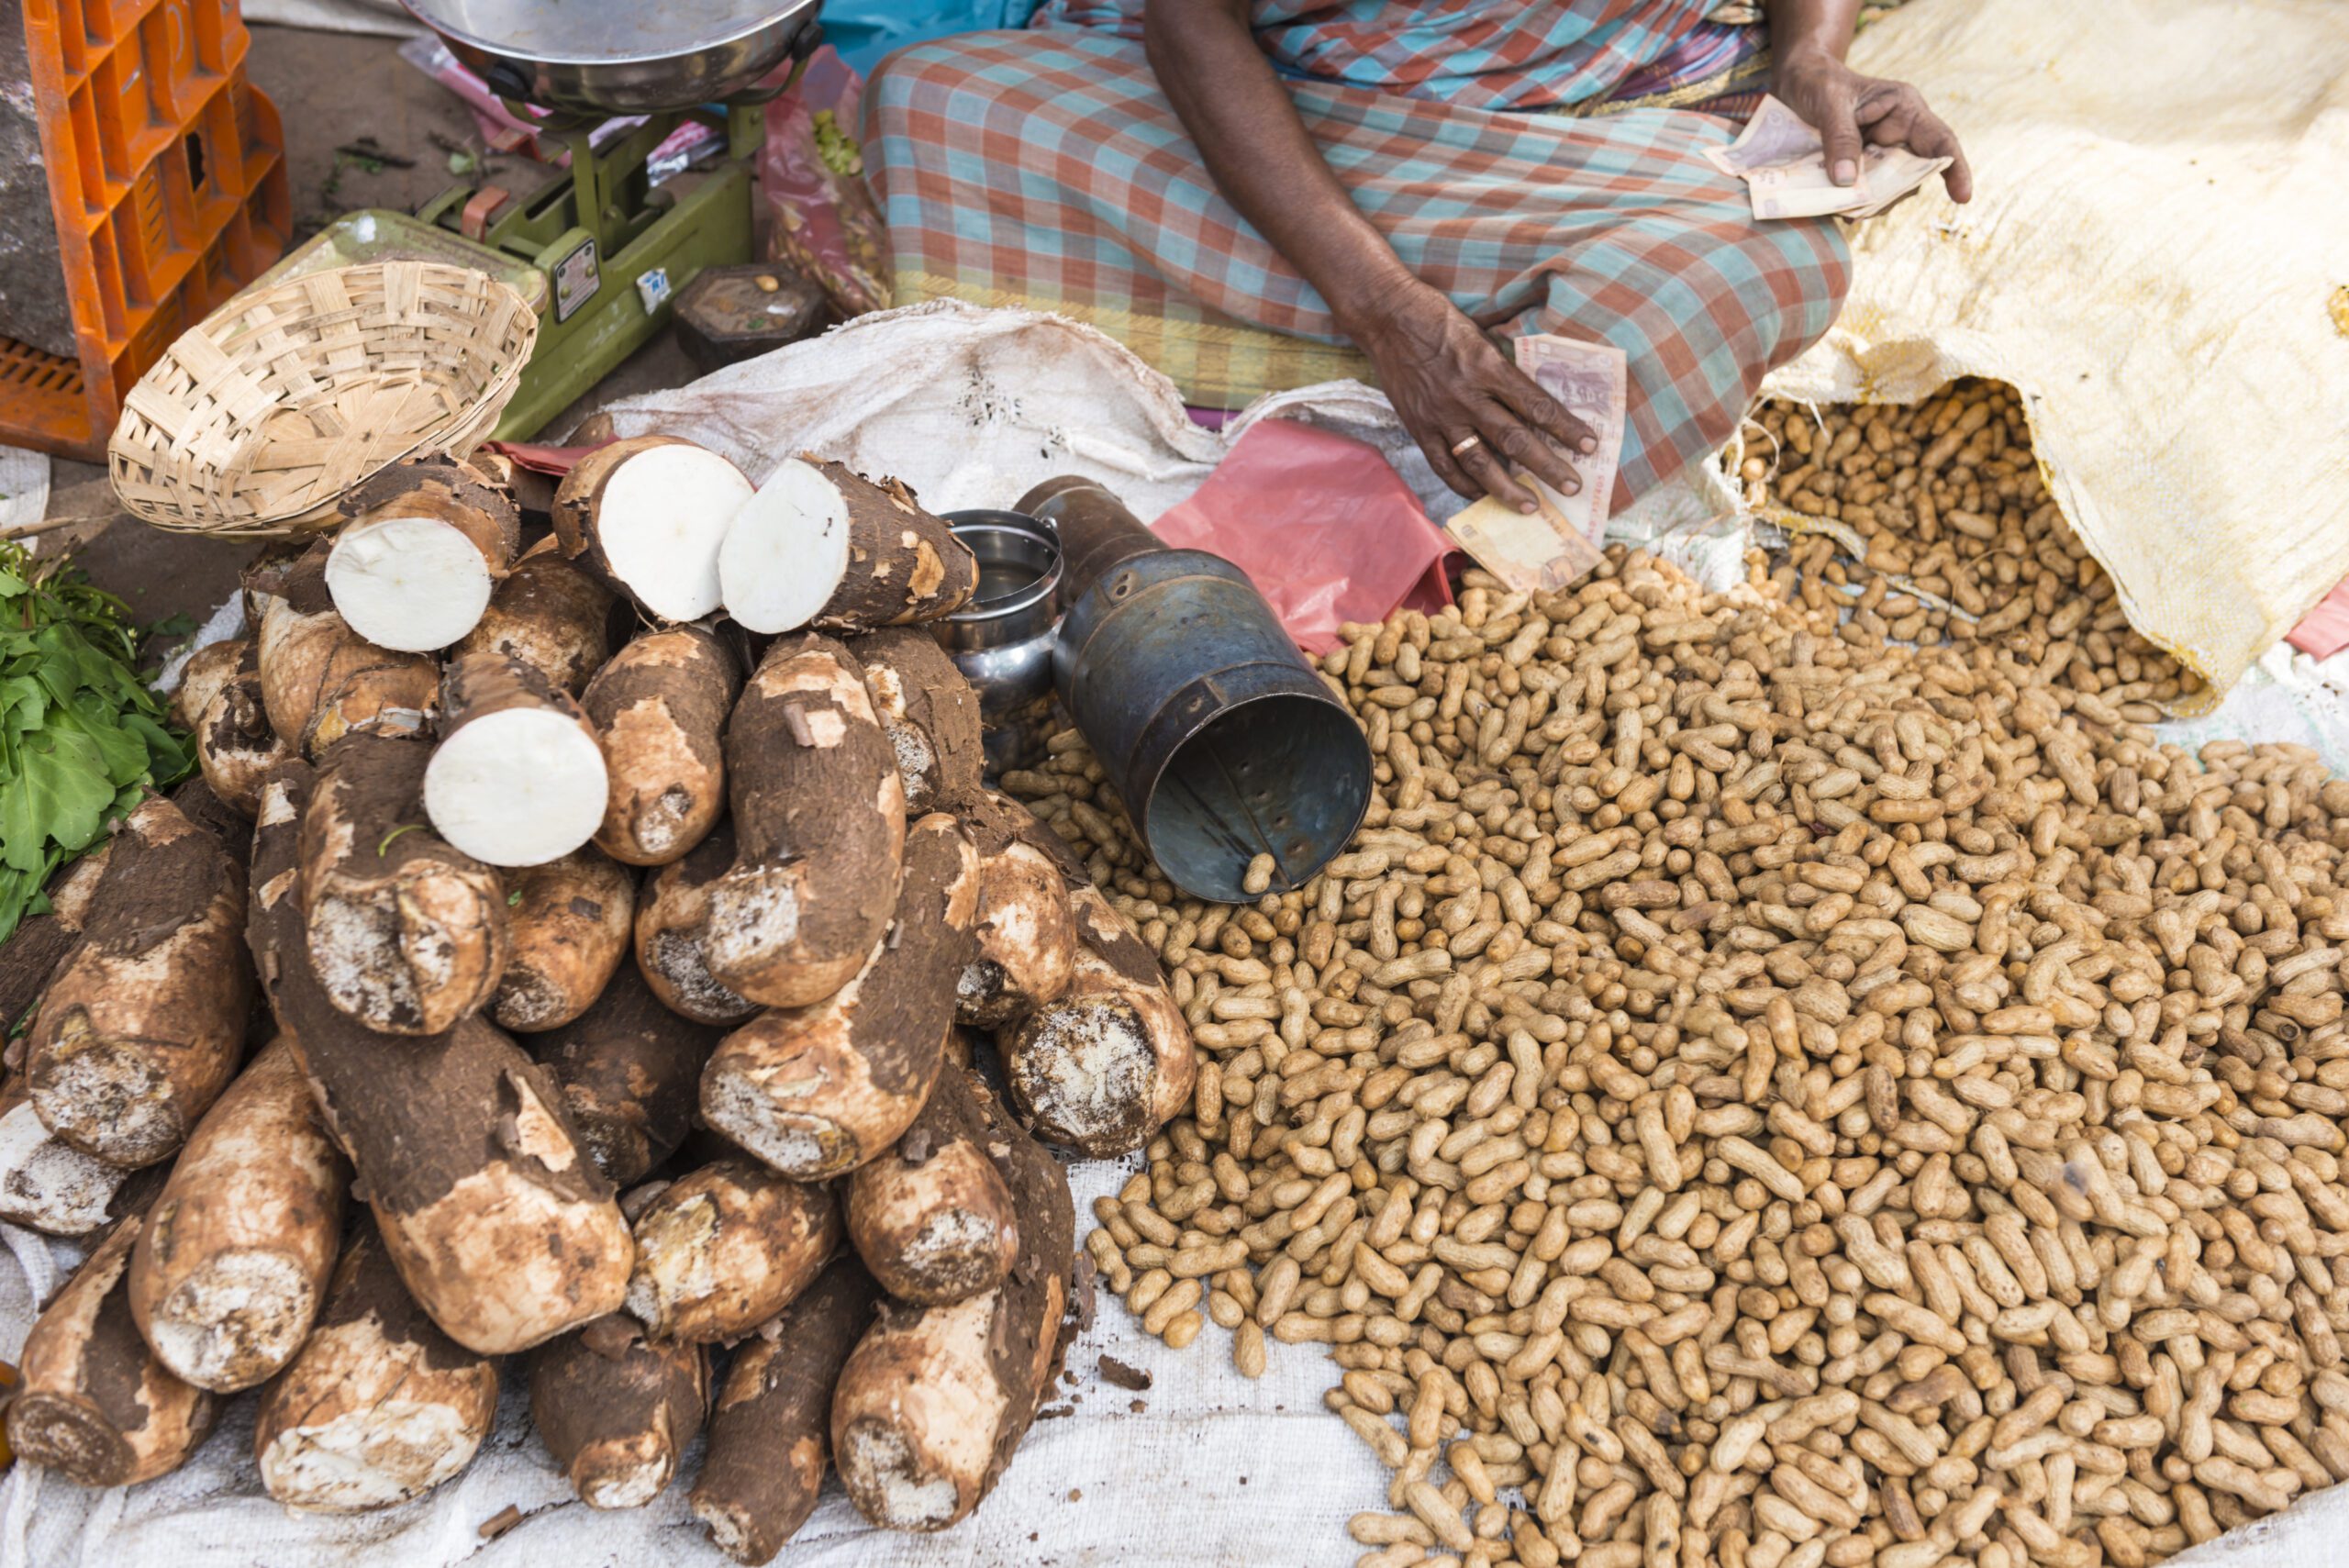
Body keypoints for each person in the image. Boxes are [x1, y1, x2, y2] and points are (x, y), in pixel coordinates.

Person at [864, 1, 1969, 517]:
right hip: (1308, 105)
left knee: (1740, 267)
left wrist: (1812, 59)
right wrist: (1387, 308)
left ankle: (1424, 513)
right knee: (937, 105)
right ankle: (1419, 363)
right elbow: (1190, 24)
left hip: (1598, 116)